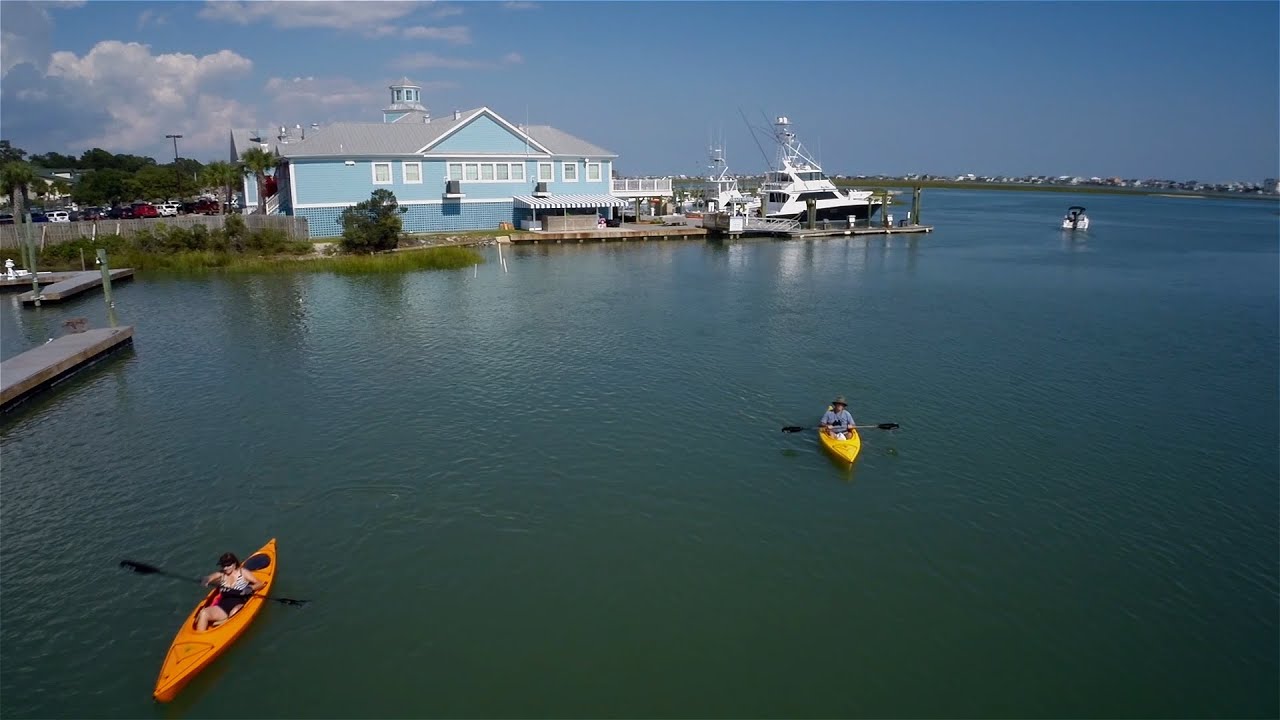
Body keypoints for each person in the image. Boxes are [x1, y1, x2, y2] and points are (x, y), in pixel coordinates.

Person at [195, 552, 265, 631]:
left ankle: (224, 621)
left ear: (234, 564)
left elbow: (260, 583)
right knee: (204, 613)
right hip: (222, 607)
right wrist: (206, 580)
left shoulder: (243, 572)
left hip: (239, 603)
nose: (225, 568)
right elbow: (211, 577)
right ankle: (200, 636)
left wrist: (250, 588)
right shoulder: (222, 574)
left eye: (228, 565)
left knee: (234, 611)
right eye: (223, 566)